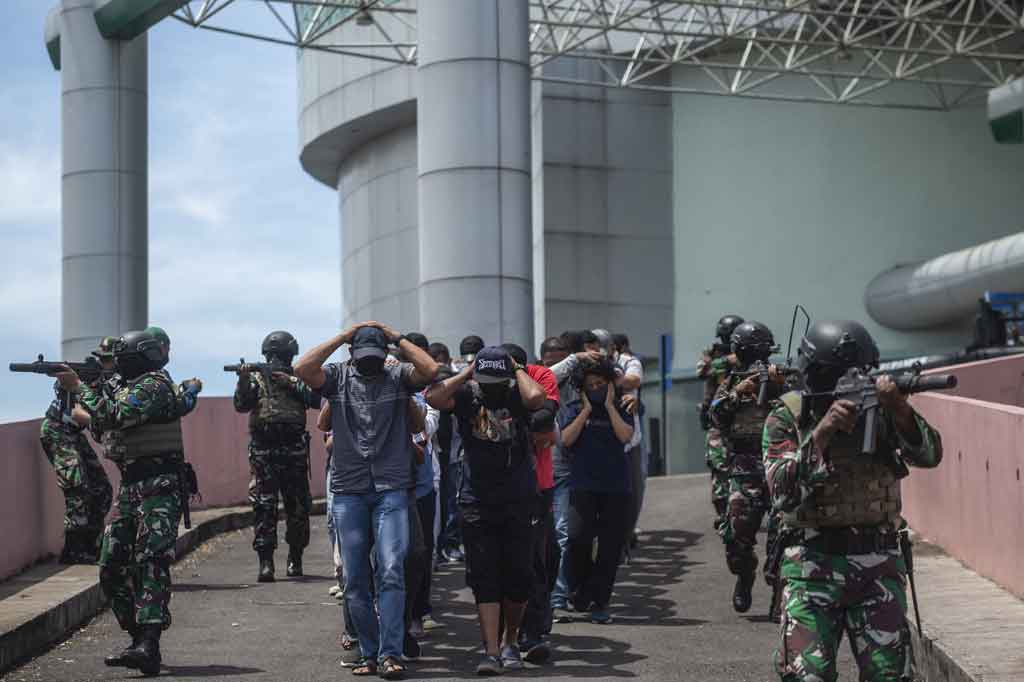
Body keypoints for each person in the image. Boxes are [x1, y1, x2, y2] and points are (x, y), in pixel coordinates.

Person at [764, 320, 943, 682]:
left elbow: (929, 454)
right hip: (811, 566)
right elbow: (782, 493)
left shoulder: (883, 409)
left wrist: (900, 410)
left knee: (889, 676)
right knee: (806, 677)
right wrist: (823, 433)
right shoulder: (788, 416)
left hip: (878, 564)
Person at [295, 322, 438, 680]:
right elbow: (301, 369)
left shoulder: (398, 376)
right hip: (349, 490)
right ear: (352, 355)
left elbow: (431, 370)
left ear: (385, 354)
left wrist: (397, 339)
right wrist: (344, 336)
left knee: (391, 570)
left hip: (391, 487)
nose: (369, 364)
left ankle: (391, 654)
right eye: (362, 357)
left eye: (376, 357)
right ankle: (369, 652)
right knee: (355, 578)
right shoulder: (337, 377)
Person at [57, 329, 201, 676]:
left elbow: (117, 415)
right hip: (132, 486)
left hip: (159, 485)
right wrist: (82, 392)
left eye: (120, 356)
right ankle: (139, 640)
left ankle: (149, 642)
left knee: (151, 561)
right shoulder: (125, 387)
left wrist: (80, 386)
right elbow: (104, 425)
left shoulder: (154, 385)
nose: (115, 362)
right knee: (110, 566)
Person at [426, 346, 545, 675]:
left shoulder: (516, 394)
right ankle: (491, 651)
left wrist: (517, 369)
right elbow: (434, 397)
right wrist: (466, 373)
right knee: (485, 578)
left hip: (518, 498)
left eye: (497, 379)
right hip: (477, 500)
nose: (491, 387)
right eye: (486, 379)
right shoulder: (468, 395)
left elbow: (537, 399)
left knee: (519, 577)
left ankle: (511, 642)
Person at [709, 321, 787, 614]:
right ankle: (745, 575)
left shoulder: (784, 379)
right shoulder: (731, 382)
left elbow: (805, 411)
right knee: (736, 536)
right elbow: (716, 418)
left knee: (783, 535)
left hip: (779, 463)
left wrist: (781, 386)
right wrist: (738, 391)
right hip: (744, 467)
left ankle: (778, 593)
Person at [233, 331, 321, 582]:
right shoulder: (257, 378)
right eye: (272, 356)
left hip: (293, 450)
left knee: (298, 507)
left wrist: (291, 382)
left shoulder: (299, 376)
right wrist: (242, 379)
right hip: (264, 452)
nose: (275, 360)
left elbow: (316, 400)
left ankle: (295, 557)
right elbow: (241, 405)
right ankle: (266, 562)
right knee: (264, 507)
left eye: (278, 356)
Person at [559, 358, 634, 624]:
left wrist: (610, 405)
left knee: (610, 547)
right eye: (590, 385)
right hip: (583, 486)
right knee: (578, 539)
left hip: (616, 487)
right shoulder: (574, 408)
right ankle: (579, 592)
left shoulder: (623, 407)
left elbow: (625, 436)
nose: (596, 388)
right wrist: (587, 410)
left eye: (600, 384)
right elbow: (565, 439)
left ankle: (601, 601)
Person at [502, 343, 559, 663]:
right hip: (494, 489)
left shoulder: (542, 376)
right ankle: (510, 634)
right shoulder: (486, 382)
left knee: (538, 561)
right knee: (504, 563)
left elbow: (542, 423)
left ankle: (532, 632)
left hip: (538, 486)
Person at [38, 337, 116, 564]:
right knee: (78, 488)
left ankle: (92, 544)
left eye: (109, 359)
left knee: (102, 490)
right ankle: (74, 549)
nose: (105, 363)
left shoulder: (108, 383)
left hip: (73, 434)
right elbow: (76, 413)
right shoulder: (78, 382)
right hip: (57, 431)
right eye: (102, 359)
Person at [547, 332, 604, 622]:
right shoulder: (540, 378)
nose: (563, 367)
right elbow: (547, 376)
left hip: (577, 469)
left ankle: (564, 594)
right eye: (554, 361)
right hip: (548, 469)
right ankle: (555, 596)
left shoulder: (580, 381)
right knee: (555, 535)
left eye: (564, 358)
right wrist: (573, 360)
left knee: (570, 535)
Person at [697, 315, 744, 536]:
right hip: (717, 417)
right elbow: (702, 371)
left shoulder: (747, 351)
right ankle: (723, 512)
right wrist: (726, 361)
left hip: (742, 416)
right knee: (719, 466)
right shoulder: (712, 352)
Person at [611, 333, 646, 550]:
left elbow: (633, 380)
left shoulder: (628, 362)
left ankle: (627, 534)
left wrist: (609, 378)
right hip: (604, 442)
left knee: (634, 490)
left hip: (630, 439)